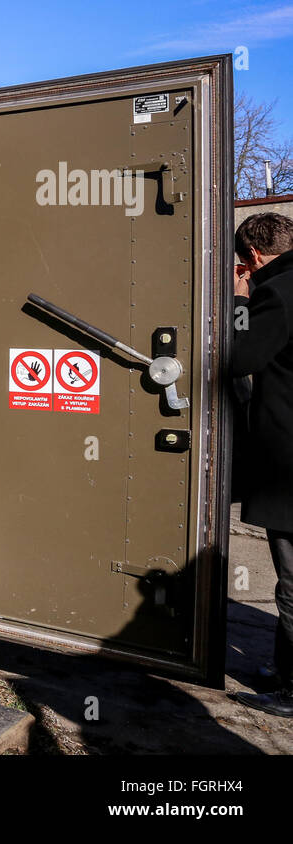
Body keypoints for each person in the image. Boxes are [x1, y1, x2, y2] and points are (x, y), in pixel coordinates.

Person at [230, 211, 293, 718]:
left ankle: (290, 691)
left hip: (288, 466)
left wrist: (238, 302)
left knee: (292, 580)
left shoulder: (277, 292)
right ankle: (281, 665)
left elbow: (240, 357)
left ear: (252, 256)